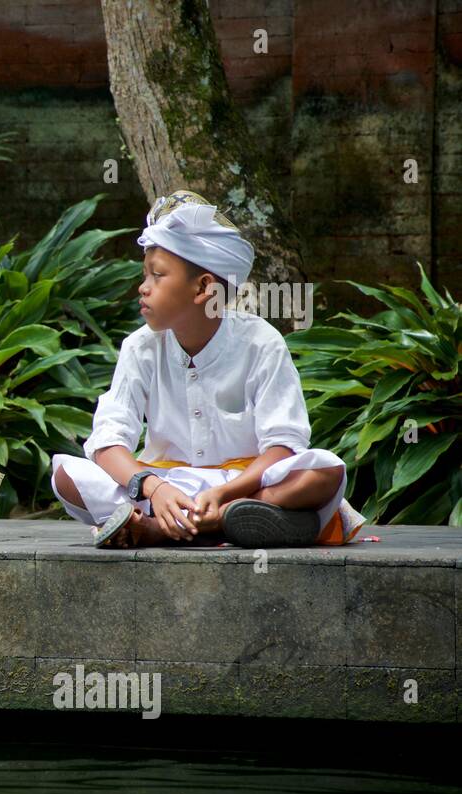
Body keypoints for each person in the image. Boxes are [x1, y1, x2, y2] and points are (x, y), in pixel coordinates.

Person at [50, 189, 365, 548]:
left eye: (157, 275)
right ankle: (220, 523)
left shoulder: (261, 342)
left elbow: (284, 445)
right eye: (145, 275)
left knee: (323, 470)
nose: (143, 287)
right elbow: (107, 441)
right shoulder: (140, 347)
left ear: (203, 288)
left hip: (247, 485)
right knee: (67, 475)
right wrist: (155, 488)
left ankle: (172, 527)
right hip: (167, 487)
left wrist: (225, 494)